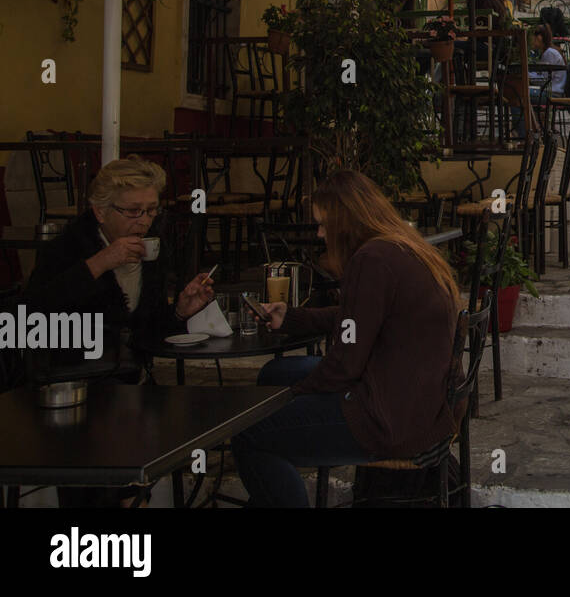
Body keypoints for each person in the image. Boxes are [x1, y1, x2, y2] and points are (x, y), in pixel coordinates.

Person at [232, 170, 463, 508]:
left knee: (249, 433)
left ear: (345, 224)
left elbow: (344, 366)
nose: (320, 233)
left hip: (390, 417)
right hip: (415, 397)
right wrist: (292, 317)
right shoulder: (400, 247)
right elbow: (359, 317)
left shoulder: (371, 260)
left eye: (324, 224)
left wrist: (296, 398)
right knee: (273, 375)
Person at [24, 156, 216, 506]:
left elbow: (148, 327)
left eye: (151, 210)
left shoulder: (153, 248)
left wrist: (180, 310)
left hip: (127, 384)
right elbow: (35, 313)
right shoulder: (67, 249)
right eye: (132, 212)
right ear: (100, 212)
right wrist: (100, 264)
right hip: (73, 385)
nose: (143, 222)